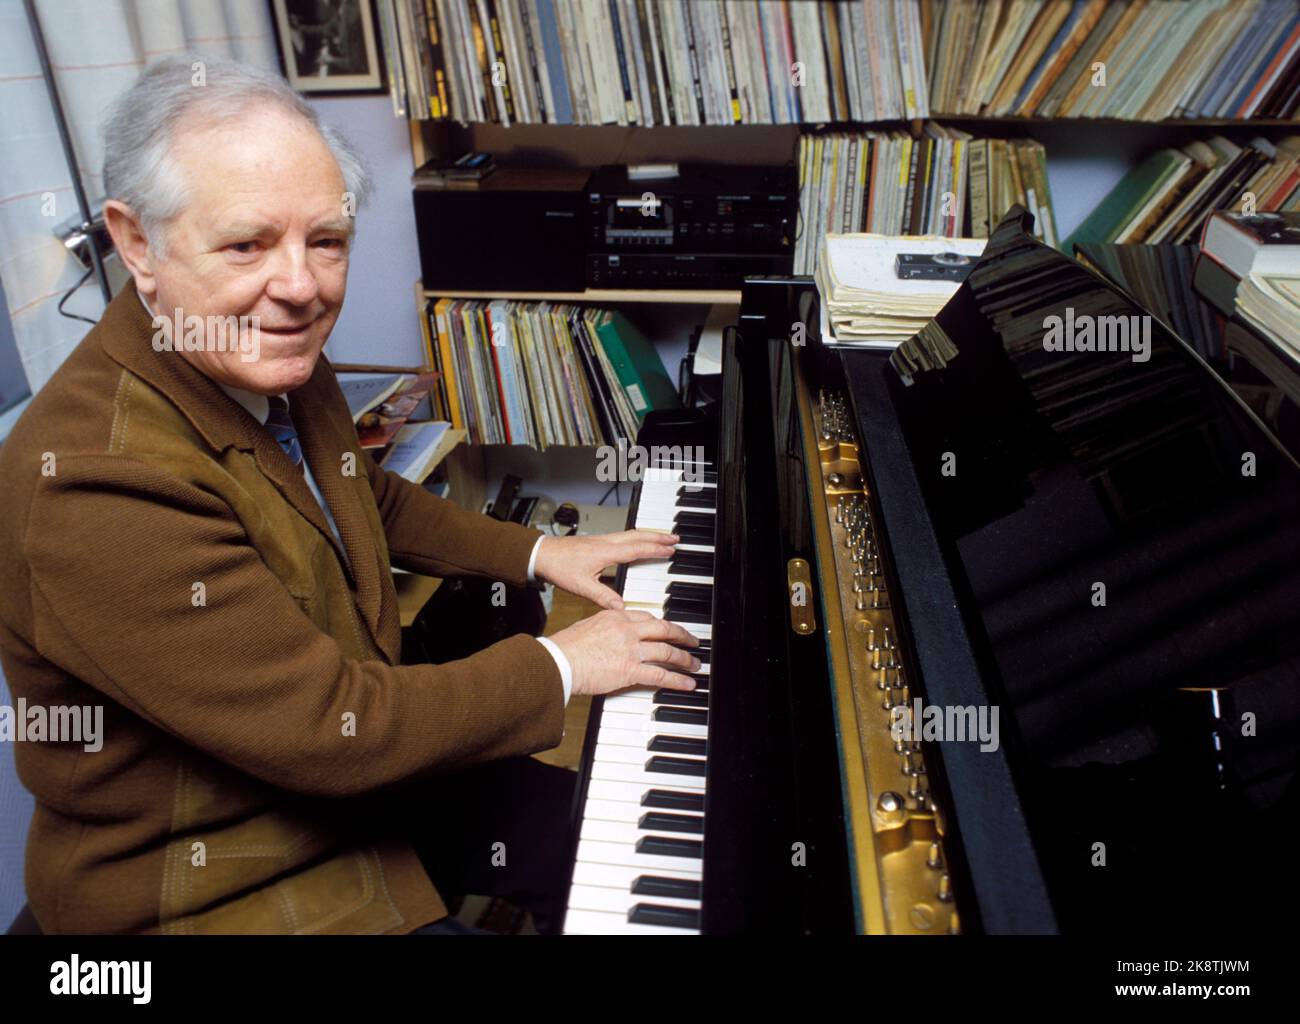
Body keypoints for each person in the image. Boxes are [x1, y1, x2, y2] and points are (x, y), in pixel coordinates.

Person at [0, 55, 698, 934]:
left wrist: (540, 552)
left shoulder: (253, 348)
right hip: (219, 882)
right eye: (246, 244)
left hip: (356, 781)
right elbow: (328, 726)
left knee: (628, 840)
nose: (301, 287)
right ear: (136, 242)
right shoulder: (97, 485)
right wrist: (563, 664)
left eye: (326, 241)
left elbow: (359, 494)